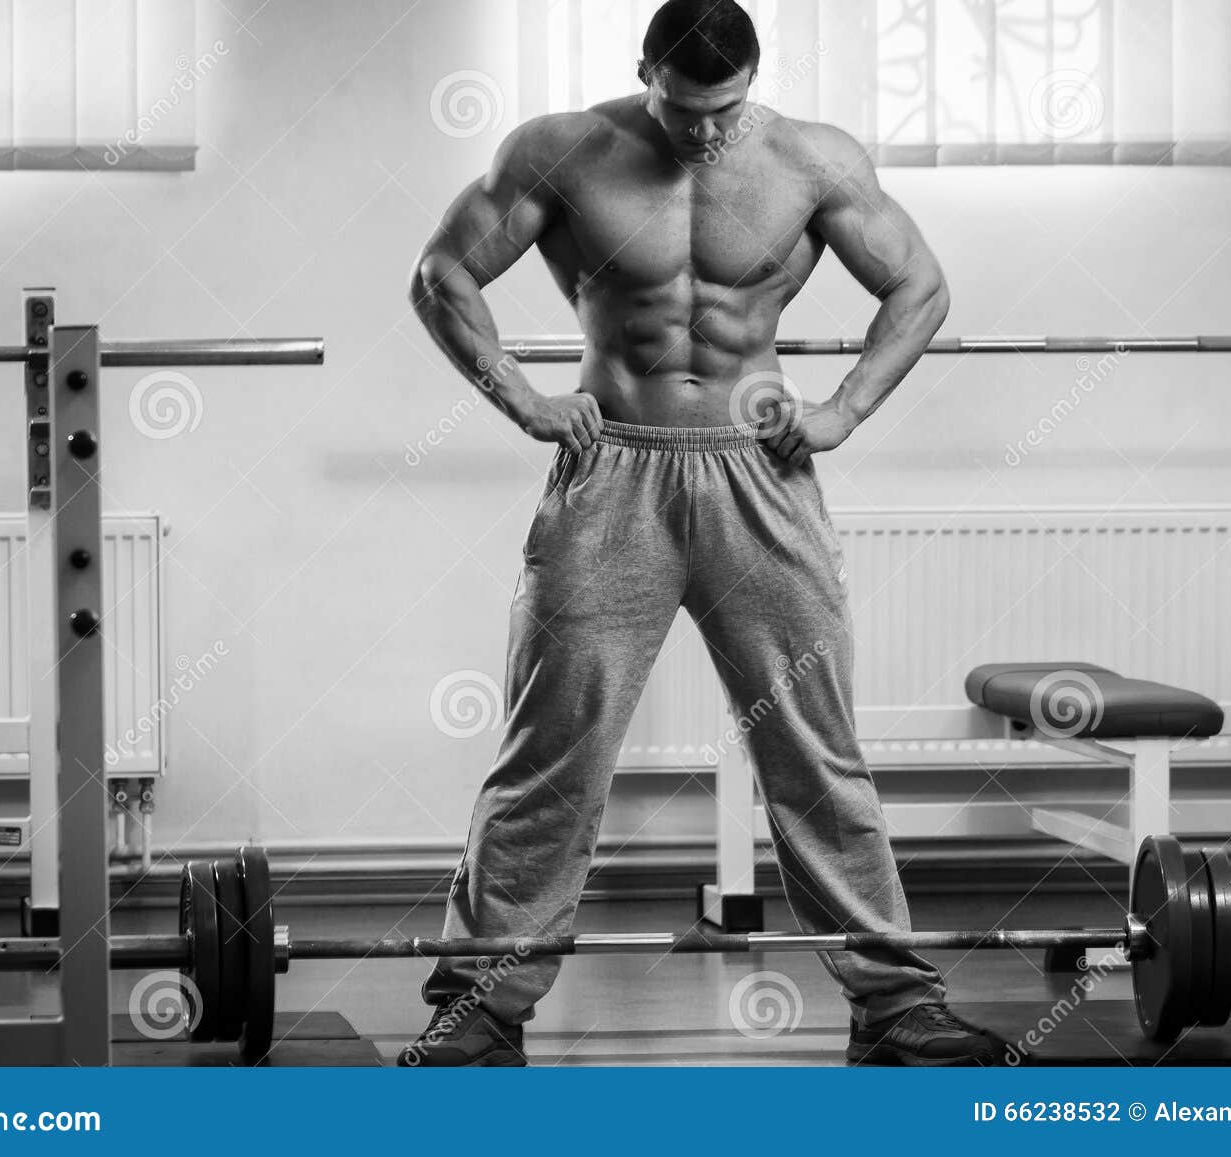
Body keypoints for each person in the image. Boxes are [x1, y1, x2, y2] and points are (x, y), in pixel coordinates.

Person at [405, 0, 1006, 1066]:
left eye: (723, 110)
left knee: (814, 745)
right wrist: (523, 397)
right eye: (686, 111)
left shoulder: (811, 160)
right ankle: (479, 1009)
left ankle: (895, 1003)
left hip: (757, 474)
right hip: (612, 475)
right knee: (551, 748)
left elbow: (919, 284)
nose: (704, 133)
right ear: (646, 71)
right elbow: (440, 274)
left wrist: (844, 410)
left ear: (752, 80)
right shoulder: (564, 151)